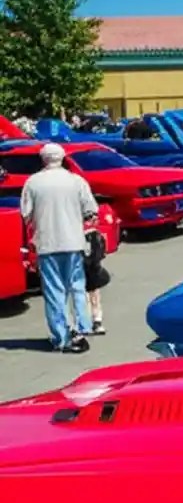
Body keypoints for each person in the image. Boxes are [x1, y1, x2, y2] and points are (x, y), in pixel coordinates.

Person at [19, 144, 97, 353]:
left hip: (47, 243)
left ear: (43, 159)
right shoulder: (76, 181)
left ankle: (61, 336)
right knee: (76, 285)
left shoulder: (33, 183)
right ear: (62, 158)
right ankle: (83, 327)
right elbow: (90, 210)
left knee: (54, 291)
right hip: (73, 241)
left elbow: (25, 214)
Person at [84, 222, 110, 335]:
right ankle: (87, 321)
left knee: (93, 291)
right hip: (77, 241)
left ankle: (96, 321)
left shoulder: (93, 230)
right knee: (83, 293)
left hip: (91, 258)